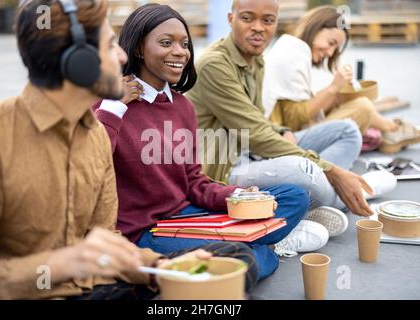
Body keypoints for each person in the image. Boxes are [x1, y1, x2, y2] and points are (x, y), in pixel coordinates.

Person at [0, 0, 259, 299]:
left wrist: (159, 267)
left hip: (101, 286)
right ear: (77, 60)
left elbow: (109, 238)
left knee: (226, 272)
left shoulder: (95, 134)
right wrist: (60, 264)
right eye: (110, 46)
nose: (122, 54)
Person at [94, 3, 331, 281]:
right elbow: (91, 171)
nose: (180, 52)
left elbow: (193, 181)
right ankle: (263, 247)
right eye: (166, 43)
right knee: (245, 260)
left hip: (188, 215)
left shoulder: (181, 106)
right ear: (138, 49)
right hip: (146, 233)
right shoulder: (109, 106)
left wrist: (233, 195)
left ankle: (247, 245)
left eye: (185, 44)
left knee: (294, 197)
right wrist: (113, 107)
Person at [186, 0, 378, 234]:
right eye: (247, 18)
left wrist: (279, 130)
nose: (258, 27)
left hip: (253, 150)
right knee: (304, 169)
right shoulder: (214, 65)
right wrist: (331, 170)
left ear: (276, 22)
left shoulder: (256, 59)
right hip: (227, 166)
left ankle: (325, 198)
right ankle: (359, 192)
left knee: (348, 131)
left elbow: (255, 118)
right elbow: (257, 135)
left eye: (268, 20)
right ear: (230, 19)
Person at [263, 5, 420, 154]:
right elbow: (293, 119)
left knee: (344, 99)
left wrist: (337, 94)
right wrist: (333, 88)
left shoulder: (291, 48)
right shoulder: (292, 57)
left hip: (288, 133)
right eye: (331, 43)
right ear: (316, 27)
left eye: (335, 48)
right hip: (285, 140)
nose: (331, 53)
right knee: (363, 107)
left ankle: (391, 130)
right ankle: (392, 130)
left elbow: (294, 107)